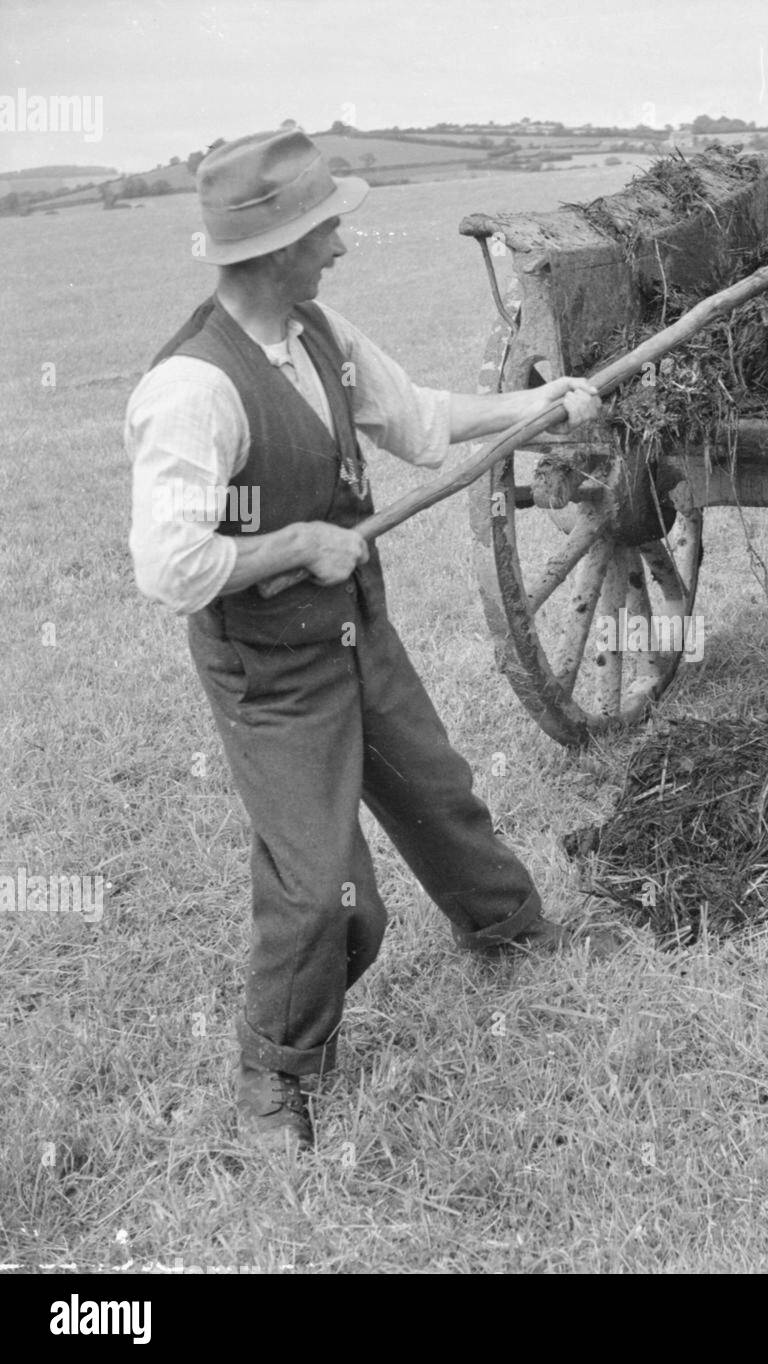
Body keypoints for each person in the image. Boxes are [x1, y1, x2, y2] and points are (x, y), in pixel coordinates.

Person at [125, 128, 602, 1151]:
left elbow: (419, 418)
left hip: (355, 627)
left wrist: (542, 401)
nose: (341, 243)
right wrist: (293, 541)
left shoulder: (320, 333)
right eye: (325, 227)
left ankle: (509, 928)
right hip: (271, 666)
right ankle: (274, 1071)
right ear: (276, 247)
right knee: (327, 896)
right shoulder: (192, 390)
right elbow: (169, 565)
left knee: (436, 787)